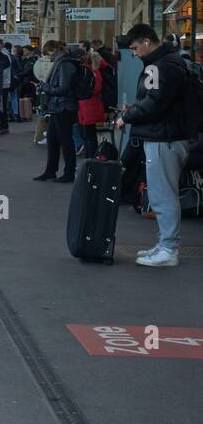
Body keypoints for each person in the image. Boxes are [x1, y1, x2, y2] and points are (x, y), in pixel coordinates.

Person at [116, 23, 199, 267]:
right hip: (170, 136)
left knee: (163, 195)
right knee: (163, 192)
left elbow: (153, 102)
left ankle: (168, 248)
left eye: (134, 47)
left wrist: (127, 116)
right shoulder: (171, 63)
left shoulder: (159, 67)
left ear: (146, 41)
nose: (133, 53)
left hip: (164, 138)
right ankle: (164, 243)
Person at [34, 43, 83, 181]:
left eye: (47, 53)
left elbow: (62, 89)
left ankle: (68, 173)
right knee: (53, 139)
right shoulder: (64, 62)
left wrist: (45, 87)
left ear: (54, 50)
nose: (47, 58)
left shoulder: (65, 64)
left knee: (65, 140)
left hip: (63, 106)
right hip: (60, 106)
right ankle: (51, 170)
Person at [77, 48, 109, 159]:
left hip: (88, 107)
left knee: (89, 137)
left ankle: (90, 160)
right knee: (87, 136)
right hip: (87, 107)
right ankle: (89, 160)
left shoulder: (92, 72)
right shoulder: (93, 71)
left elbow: (95, 89)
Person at [32, 41, 57, 145]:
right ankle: (46, 136)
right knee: (47, 115)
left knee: (45, 114)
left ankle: (46, 136)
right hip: (51, 91)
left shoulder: (42, 62)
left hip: (49, 91)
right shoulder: (58, 62)